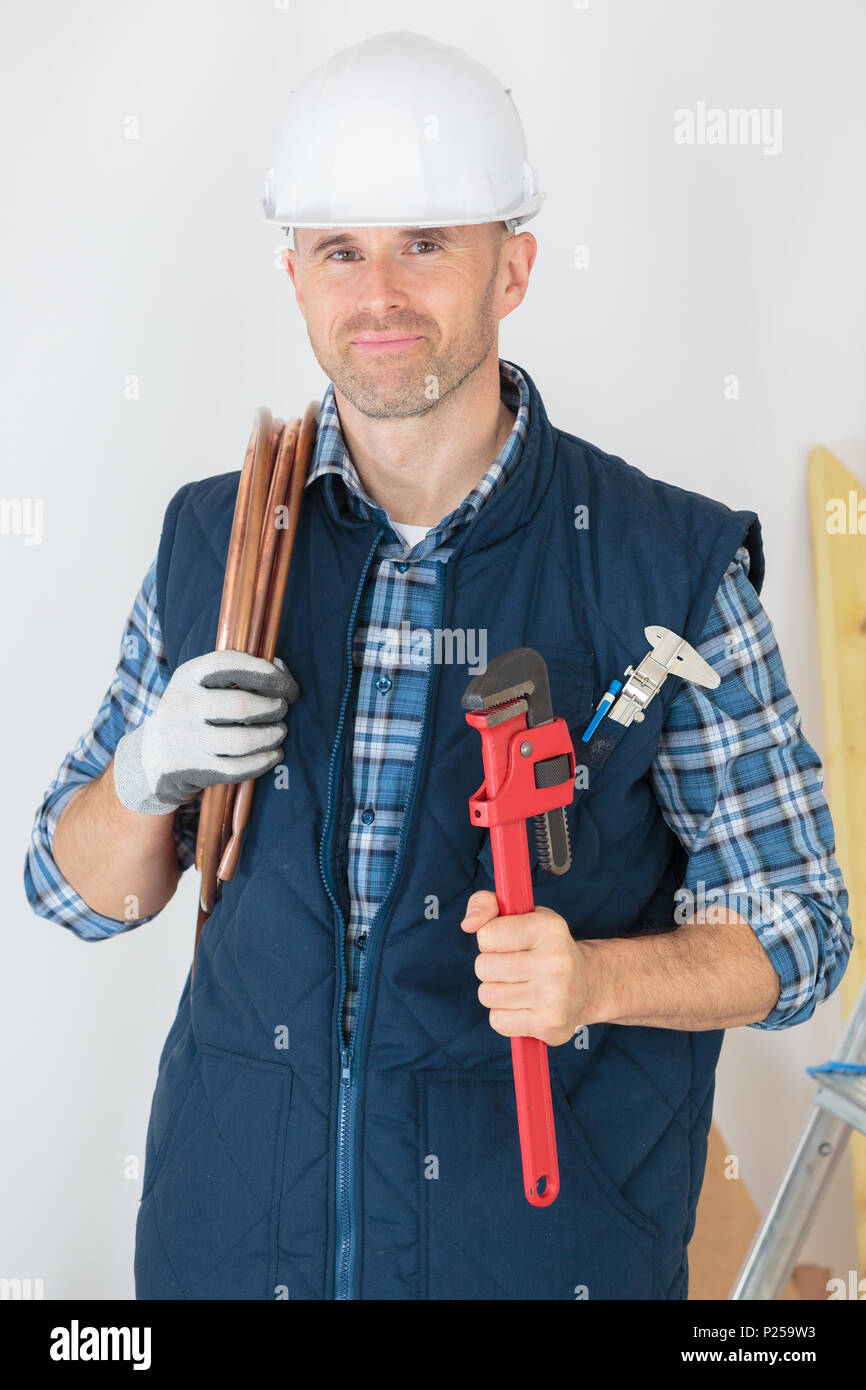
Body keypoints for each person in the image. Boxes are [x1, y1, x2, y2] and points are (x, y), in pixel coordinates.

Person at [24, 30, 851, 1301]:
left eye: (424, 244)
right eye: (339, 250)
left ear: (510, 266)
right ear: (293, 275)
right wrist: (144, 774)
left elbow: (799, 927)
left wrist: (595, 978)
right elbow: (73, 894)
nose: (378, 294)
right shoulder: (214, 540)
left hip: (536, 1257)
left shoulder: (665, 563)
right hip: (226, 1248)